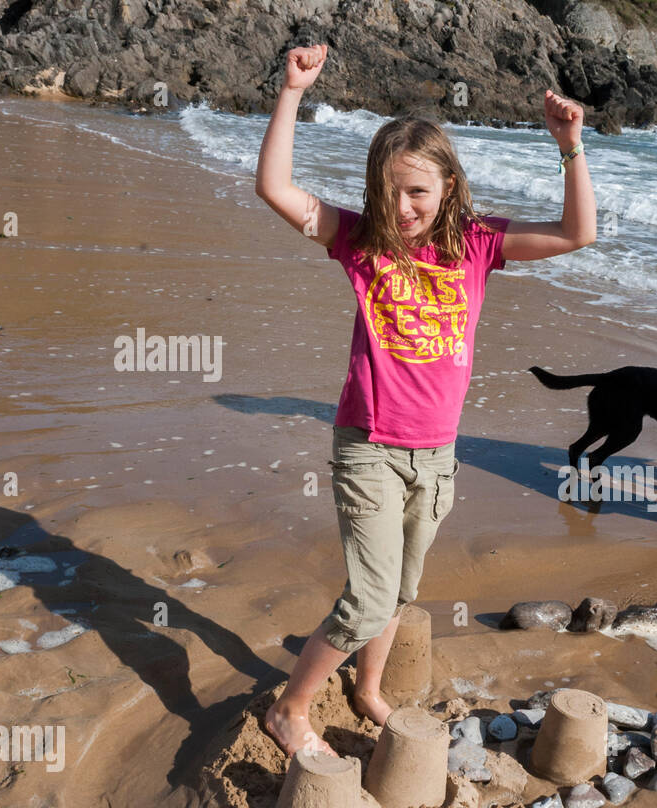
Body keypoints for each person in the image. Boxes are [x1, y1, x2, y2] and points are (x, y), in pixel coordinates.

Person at [254, 44, 596, 756]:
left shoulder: (476, 245)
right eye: (390, 191)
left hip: (437, 458)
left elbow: (576, 233)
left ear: (448, 187)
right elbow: (275, 189)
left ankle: (369, 688)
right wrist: (291, 92)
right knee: (370, 596)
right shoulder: (358, 239)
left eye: (417, 191)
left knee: (399, 591)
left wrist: (570, 148)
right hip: (370, 447)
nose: (402, 207)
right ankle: (289, 709)